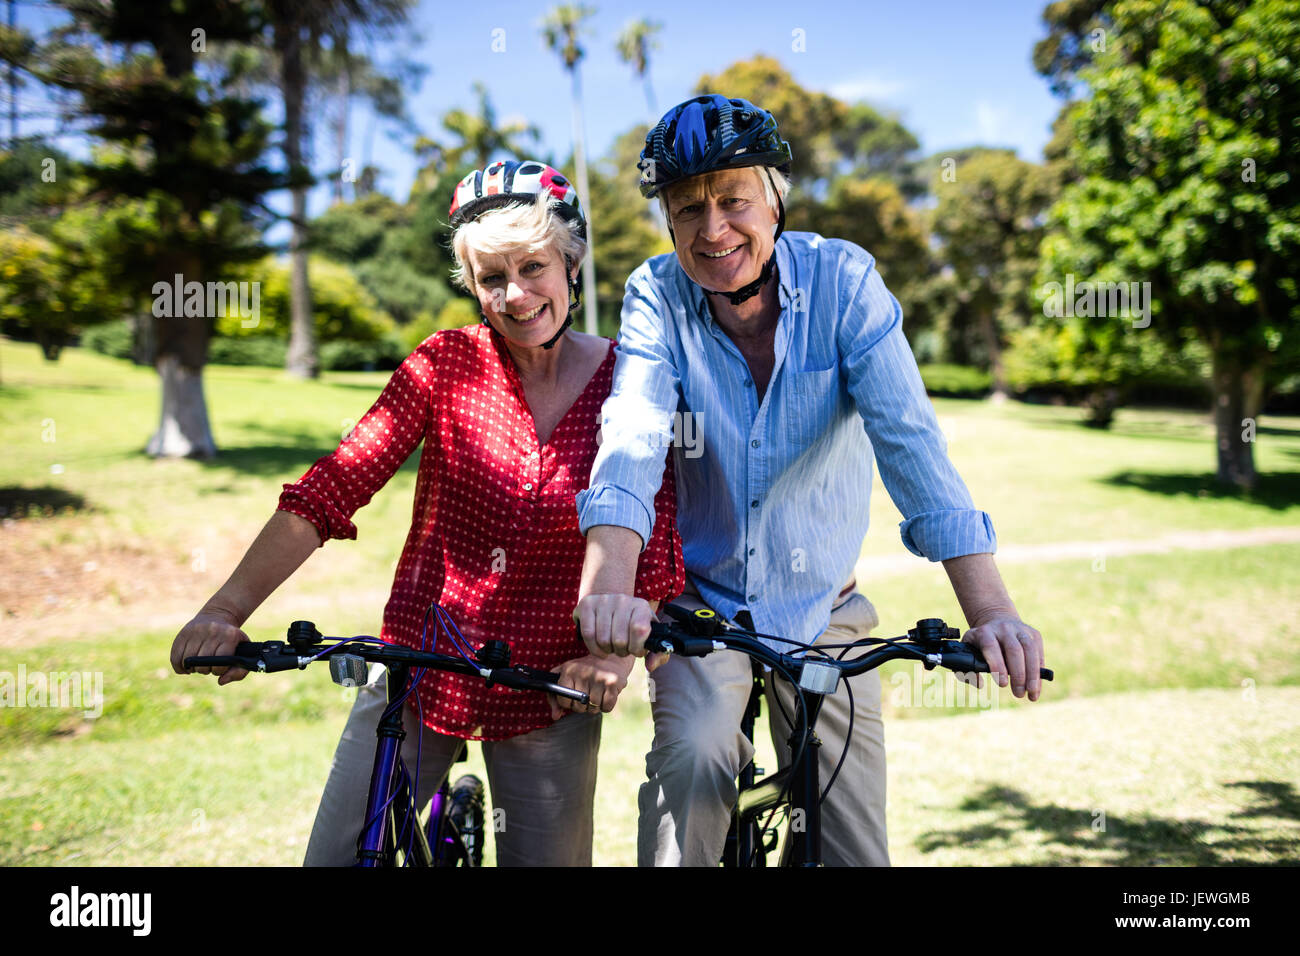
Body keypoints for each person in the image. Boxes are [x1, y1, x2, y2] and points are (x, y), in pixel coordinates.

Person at [572, 95, 1047, 866]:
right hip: (702, 609)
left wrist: (989, 609)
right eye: (687, 208)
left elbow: (910, 443)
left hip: (824, 604)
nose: (713, 228)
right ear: (665, 219)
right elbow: (630, 438)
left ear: (775, 199)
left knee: (852, 842)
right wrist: (610, 586)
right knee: (693, 762)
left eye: (734, 200)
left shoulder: (845, 282)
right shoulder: (656, 294)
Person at [169, 159, 683, 866]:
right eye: (490, 278)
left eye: (533, 267)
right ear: (470, 284)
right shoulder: (444, 365)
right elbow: (331, 488)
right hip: (421, 663)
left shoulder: (629, 382)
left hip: (550, 685)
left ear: (571, 260)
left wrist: (608, 655)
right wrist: (225, 611)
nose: (515, 294)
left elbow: (652, 535)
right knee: (339, 858)